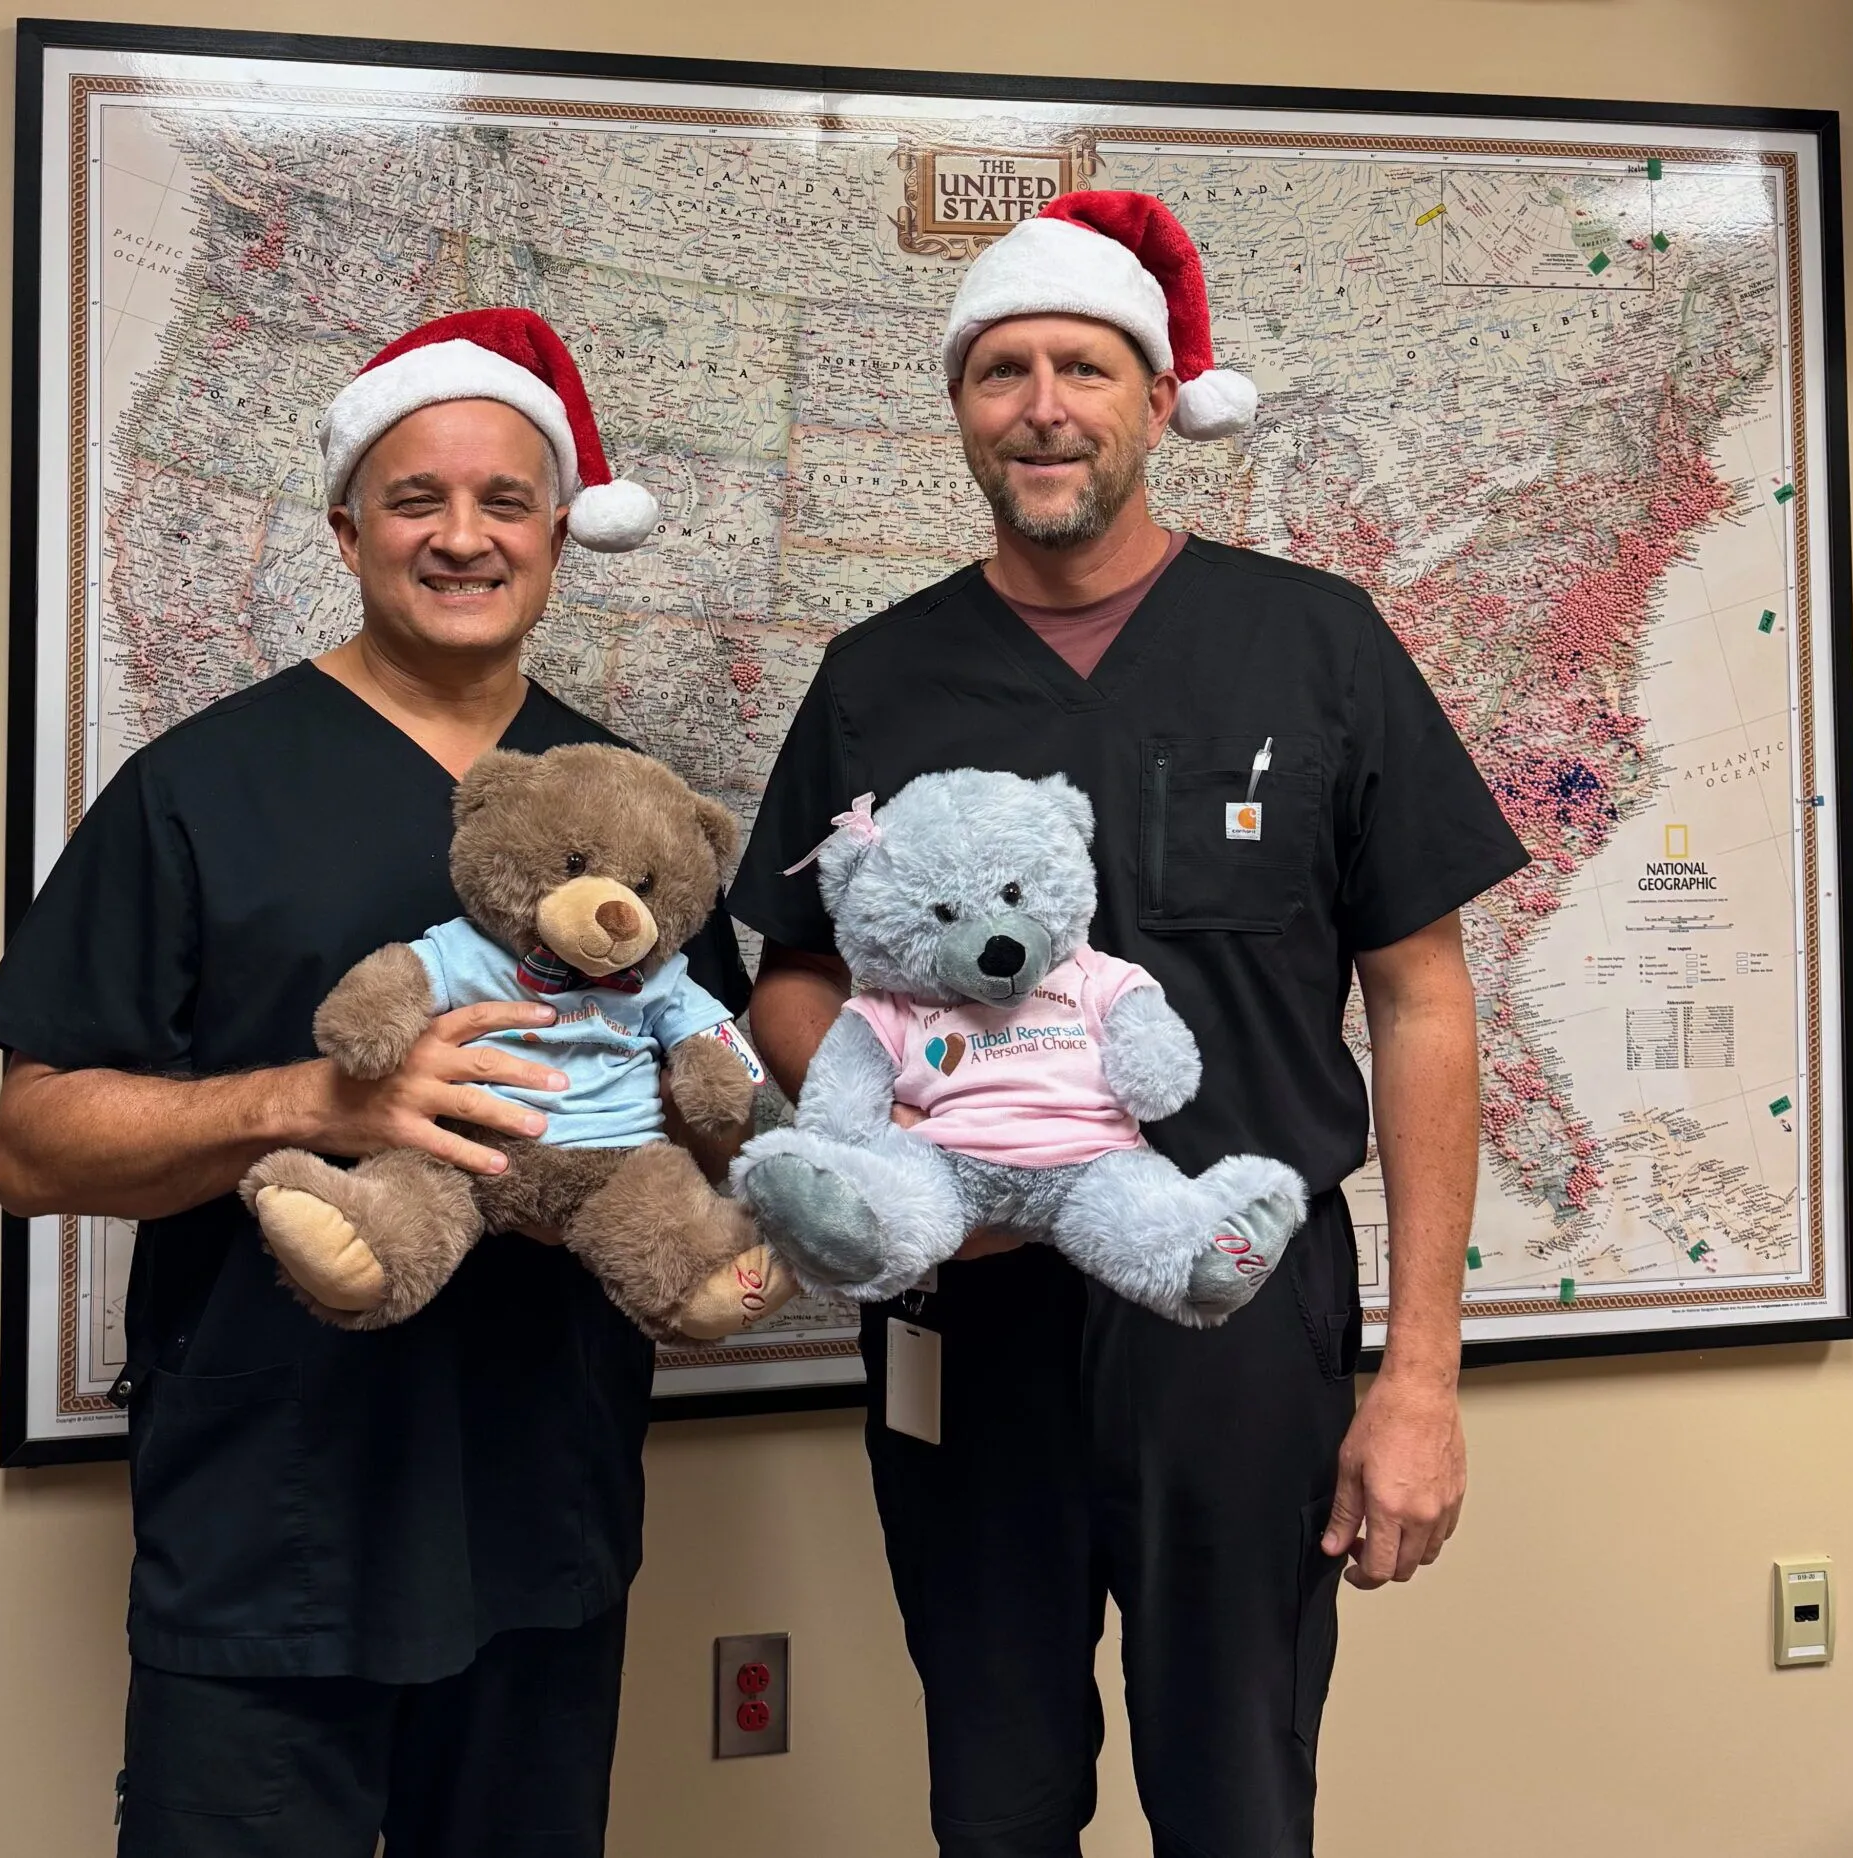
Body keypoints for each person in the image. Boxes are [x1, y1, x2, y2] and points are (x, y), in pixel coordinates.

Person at [729, 192, 1531, 1858]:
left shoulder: (1317, 645)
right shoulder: (879, 677)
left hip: (1229, 1314)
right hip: (964, 1310)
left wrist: (1422, 1374)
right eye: (1002, 370)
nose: (1043, 407)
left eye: (1083, 368)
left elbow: (1423, 998)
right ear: (960, 407)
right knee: (996, 1796)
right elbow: (789, 976)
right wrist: (901, 1141)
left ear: (1158, 399)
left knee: (1237, 1796)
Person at [0, 308, 742, 1857]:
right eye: (414, 500)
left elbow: (709, 1100)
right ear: (346, 528)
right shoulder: (198, 791)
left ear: (557, 535)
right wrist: (316, 1106)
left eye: (504, 500)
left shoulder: (629, 814)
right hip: (270, 1533)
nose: (462, 536)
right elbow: (33, 1145)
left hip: (544, 1521)